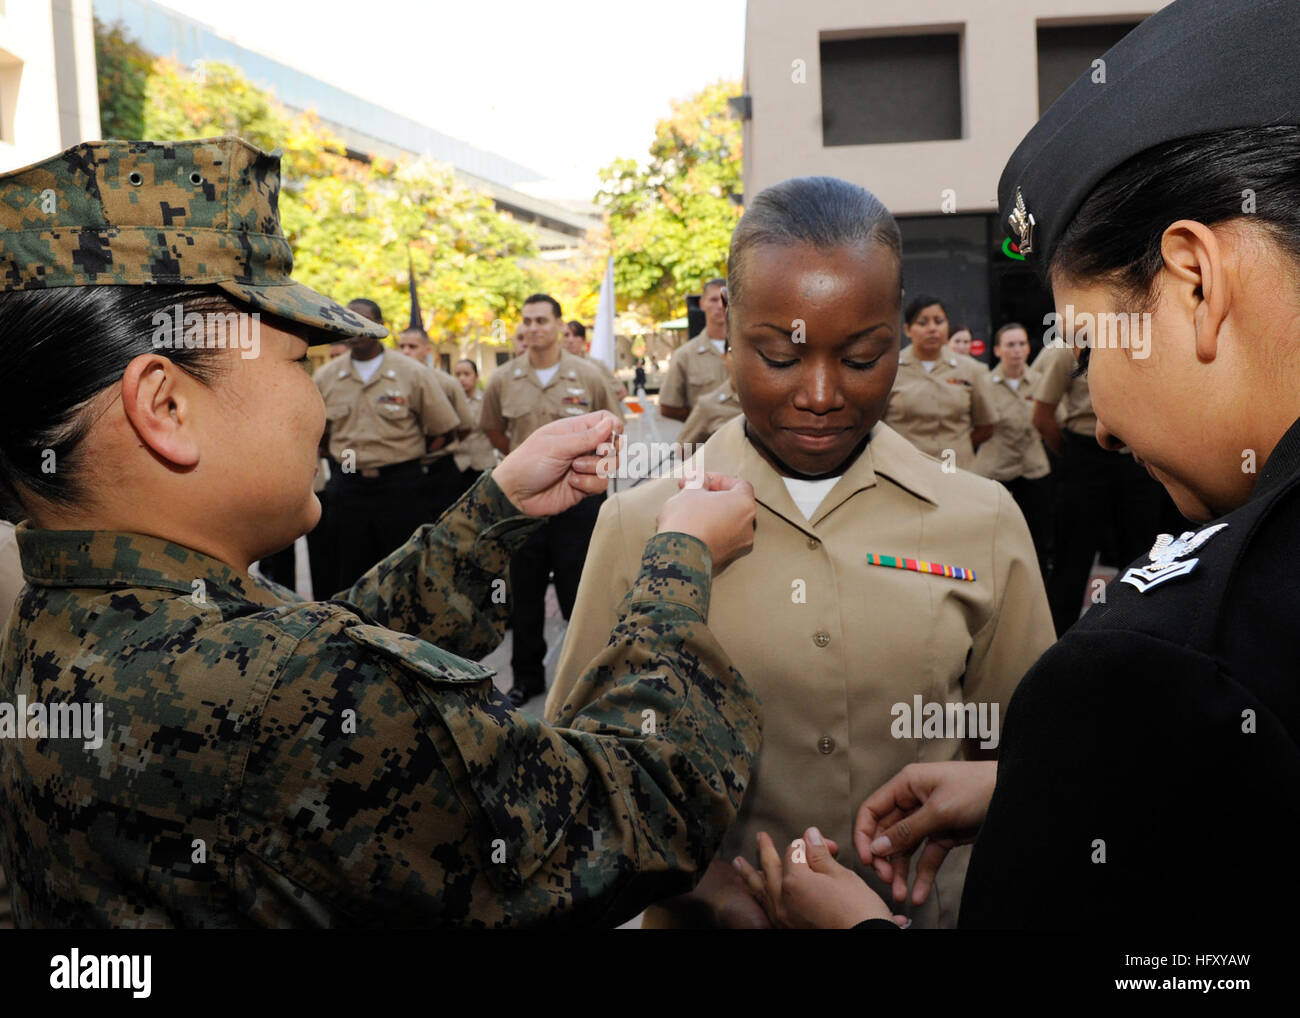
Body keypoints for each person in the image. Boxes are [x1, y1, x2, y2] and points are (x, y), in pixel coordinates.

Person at [0, 137, 763, 928]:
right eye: (299, 364)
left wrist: (494, 505)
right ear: (165, 406)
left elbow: (306, 645)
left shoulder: (69, 615)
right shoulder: (288, 699)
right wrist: (682, 559)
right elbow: (640, 807)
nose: (320, 406)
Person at [732, 0, 1300, 930]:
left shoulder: (1159, 662)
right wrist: (1040, 790)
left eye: (1089, 343)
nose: (1104, 420)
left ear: (1196, 282)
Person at [546, 176, 1054, 929]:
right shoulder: (639, 525)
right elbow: (572, 782)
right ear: (727, 339)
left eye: (861, 357)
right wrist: (712, 889)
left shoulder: (980, 520)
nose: (820, 394)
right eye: (780, 357)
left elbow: (1033, 759)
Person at [479, 294, 622, 706]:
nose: (532, 328)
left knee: (581, 592)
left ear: (560, 325)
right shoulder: (504, 379)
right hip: (524, 504)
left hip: (578, 501)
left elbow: (613, 426)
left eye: (541, 320)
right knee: (524, 593)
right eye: (525, 321)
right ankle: (527, 677)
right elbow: (494, 430)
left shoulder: (589, 376)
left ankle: (587, 680)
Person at [313, 300, 461, 589]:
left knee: (407, 573)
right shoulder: (326, 377)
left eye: (362, 320)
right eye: (348, 320)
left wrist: (404, 456)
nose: (354, 327)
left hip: (402, 487)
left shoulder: (413, 373)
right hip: (349, 487)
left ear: (380, 326)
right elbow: (319, 434)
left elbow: (442, 430)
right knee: (351, 573)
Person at [1032, 338, 1164, 634]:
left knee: (1142, 556)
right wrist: (1071, 456)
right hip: (1085, 455)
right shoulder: (1066, 346)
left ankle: (1135, 635)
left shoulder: (1147, 337)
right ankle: (1055, 643)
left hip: (1136, 457)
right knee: (1072, 558)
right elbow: (1042, 415)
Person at [883, 296, 998, 472]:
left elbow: (986, 426)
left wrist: (956, 445)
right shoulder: (889, 370)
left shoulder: (972, 370)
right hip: (905, 470)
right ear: (907, 329)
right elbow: (876, 426)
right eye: (922, 323)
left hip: (956, 469)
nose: (932, 329)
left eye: (939, 321)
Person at [973, 324, 1051, 575]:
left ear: (1028, 348)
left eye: (1021, 344)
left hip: (1033, 471)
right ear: (997, 350)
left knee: (1037, 538)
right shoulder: (982, 383)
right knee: (994, 539)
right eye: (1010, 345)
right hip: (995, 473)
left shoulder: (1041, 382)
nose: (1017, 350)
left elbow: (1054, 420)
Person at [394, 323, 476, 520]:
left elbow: (464, 427)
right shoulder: (389, 383)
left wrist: (439, 445)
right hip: (402, 471)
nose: (406, 351)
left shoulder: (448, 384)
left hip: (440, 469)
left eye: (413, 347)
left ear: (427, 350)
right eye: (402, 346)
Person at [659, 278, 729, 421]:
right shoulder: (685, 355)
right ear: (702, 304)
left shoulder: (751, 350)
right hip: (707, 441)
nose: (720, 305)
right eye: (713, 300)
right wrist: (700, 419)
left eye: (725, 299)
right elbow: (667, 406)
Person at [450, 358, 499, 498]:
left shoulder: (487, 401)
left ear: (476, 377)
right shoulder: (449, 403)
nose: (462, 378)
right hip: (458, 464)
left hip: (483, 464)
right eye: (458, 374)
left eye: (466, 374)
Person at [677, 349, 742, 449]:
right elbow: (683, 451)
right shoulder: (709, 405)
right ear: (725, 357)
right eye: (734, 350)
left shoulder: (770, 401)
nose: (742, 358)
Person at [563, 319, 628, 402]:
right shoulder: (553, 365)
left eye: (576, 335)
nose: (570, 340)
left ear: (583, 339)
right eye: (566, 335)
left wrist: (599, 408)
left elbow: (622, 392)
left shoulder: (596, 365)